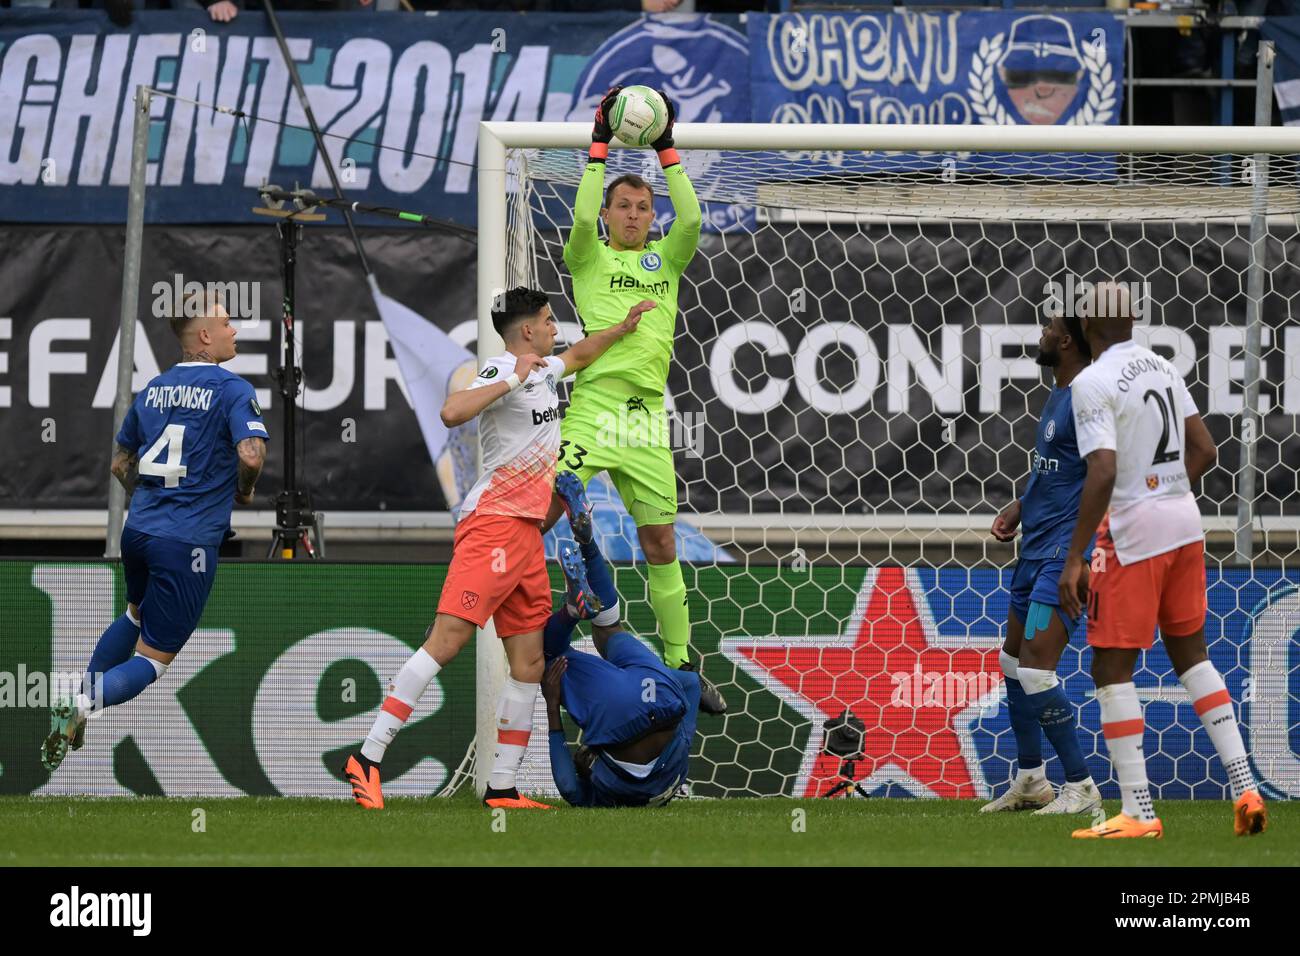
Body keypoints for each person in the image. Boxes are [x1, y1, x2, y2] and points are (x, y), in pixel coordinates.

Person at [343, 288, 650, 810]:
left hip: (528, 535)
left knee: (528, 662)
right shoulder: (500, 368)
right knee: (447, 641)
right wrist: (512, 376)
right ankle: (367, 759)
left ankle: (502, 787)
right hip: (493, 525)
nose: (557, 328)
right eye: (550, 321)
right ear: (526, 330)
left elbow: (579, 354)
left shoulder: (549, 368)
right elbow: (450, 411)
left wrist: (621, 329)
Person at [1059, 281, 1266, 839]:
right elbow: (1206, 451)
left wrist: (1077, 556)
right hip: (1184, 522)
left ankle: (1139, 812)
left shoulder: (1092, 382)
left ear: (1084, 329)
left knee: (1111, 667)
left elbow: (1102, 470)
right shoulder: (1162, 366)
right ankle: (1245, 787)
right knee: (1194, 656)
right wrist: (1165, 491)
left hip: (1134, 534)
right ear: (1130, 322)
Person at [548, 84, 727, 714]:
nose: (631, 214)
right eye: (622, 205)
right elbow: (577, 219)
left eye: (642, 207)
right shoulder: (588, 256)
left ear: (653, 216)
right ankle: (509, 606)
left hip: (648, 419)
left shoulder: (665, 261)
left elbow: (695, 219)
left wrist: (669, 150)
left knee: (661, 544)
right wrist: (598, 145)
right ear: (607, 213)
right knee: (540, 510)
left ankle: (682, 667)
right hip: (593, 407)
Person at [41, 290, 267, 771]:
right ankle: (83, 703)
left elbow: (120, 463)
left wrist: (154, 495)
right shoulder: (232, 390)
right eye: (227, 323)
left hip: (139, 530)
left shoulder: (153, 390)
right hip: (187, 543)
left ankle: (79, 701)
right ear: (204, 336)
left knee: (135, 615)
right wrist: (243, 491)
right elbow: (251, 454)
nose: (235, 331)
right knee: (153, 662)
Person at [981, 312, 1101, 816]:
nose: (1042, 334)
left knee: (1035, 668)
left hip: (1061, 557)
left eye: (1049, 328)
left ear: (1067, 341)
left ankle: (1082, 785)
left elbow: (1103, 476)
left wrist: (1083, 554)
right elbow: (1052, 474)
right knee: (1013, 663)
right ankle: (1031, 779)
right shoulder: (1058, 395)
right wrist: (1019, 506)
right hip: (1033, 552)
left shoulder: (1089, 400)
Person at [542, 484, 701, 807]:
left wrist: (692, 686)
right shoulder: (606, 799)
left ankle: (588, 543)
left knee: (608, 627)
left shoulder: (675, 779)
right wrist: (552, 704)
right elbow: (570, 790)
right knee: (548, 655)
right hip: (616, 712)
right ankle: (572, 611)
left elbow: (691, 684)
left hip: (662, 693)